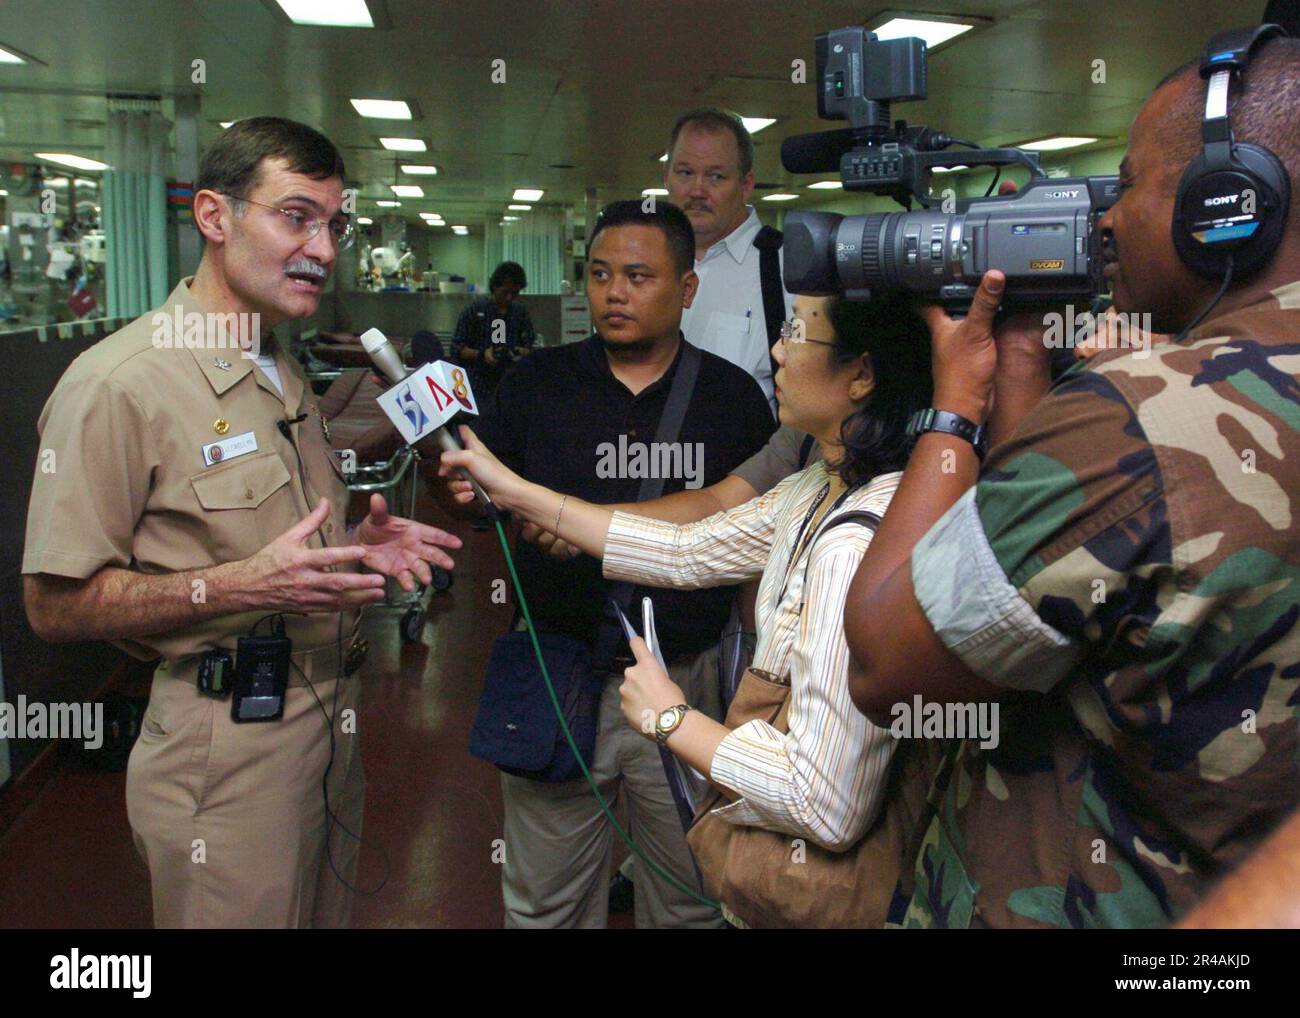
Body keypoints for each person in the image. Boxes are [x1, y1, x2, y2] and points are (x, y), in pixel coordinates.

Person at [843, 30, 1300, 927]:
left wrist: (953, 409)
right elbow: (1059, 572)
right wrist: (1021, 355)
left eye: (1126, 185)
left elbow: (881, 666)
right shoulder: (1143, 417)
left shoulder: (1142, 416)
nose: (1105, 221)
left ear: (1226, 202)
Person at [21, 116, 462, 928]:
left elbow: (274, 541)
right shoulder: (120, 384)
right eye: (296, 216)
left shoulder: (278, 367)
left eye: (336, 224)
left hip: (329, 733)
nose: (325, 250)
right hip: (223, 751)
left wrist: (350, 550)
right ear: (214, 216)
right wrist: (233, 587)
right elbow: (53, 605)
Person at [443, 287, 934, 924]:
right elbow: (685, 550)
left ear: (863, 374)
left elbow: (824, 805)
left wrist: (673, 719)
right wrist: (517, 491)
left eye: (796, 334)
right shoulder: (819, 484)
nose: (777, 351)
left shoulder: (853, 543)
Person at [459, 199, 774, 929]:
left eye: (638, 276)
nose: (615, 293)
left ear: (686, 289)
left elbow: (754, 533)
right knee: (545, 904)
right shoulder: (536, 384)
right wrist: (467, 497)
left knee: (692, 900)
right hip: (558, 668)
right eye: (600, 274)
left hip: (686, 680)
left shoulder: (732, 400)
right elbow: (483, 502)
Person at [667, 107, 794, 413]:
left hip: (751, 458)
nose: (697, 190)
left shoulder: (786, 270)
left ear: (746, 184)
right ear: (667, 177)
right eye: (685, 173)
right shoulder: (649, 267)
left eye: (716, 176)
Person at [452, 260, 536, 396]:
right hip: (477, 383)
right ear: (495, 287)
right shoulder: (474, 311)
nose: (509, 298)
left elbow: (530, 344)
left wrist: (522, 352)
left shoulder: (520, 313)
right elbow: (457, 348)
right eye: (505, 292)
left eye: (515, 293)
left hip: (511, 382)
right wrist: (481, 355)